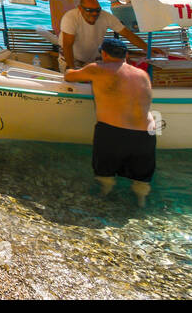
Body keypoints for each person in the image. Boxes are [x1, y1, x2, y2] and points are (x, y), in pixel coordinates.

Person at [64, 39, 156, 205]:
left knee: (105, 174)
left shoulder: (97, 69)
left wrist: (69, 67)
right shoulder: (143, 75)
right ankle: (141, 201)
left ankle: (104, 196)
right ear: (126, 55)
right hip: (147, 133)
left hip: (114, 131)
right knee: (141, 177)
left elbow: (69, 76)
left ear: (104, 54)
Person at [60, 0, 159, 70]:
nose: (94, 13)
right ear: (80, 9)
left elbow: (127, 34)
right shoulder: (71, 18)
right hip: (70, 59)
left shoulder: (105, 16)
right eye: (89, 10)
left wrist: (147, 48)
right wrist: (71, 69)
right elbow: (67, 45)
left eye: (97, 10)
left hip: (91, 60)